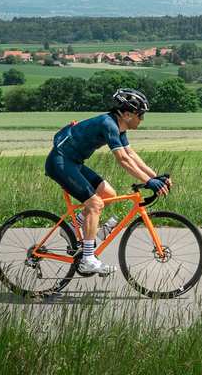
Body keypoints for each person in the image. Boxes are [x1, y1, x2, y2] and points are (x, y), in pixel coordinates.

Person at [44, 88, 171, 274]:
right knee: (95, 204)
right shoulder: (108, 124)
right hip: (60, 163)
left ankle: (72, 227)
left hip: (74, 163)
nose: (142, 119)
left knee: (108, 194)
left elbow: (130, 154)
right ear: (127, 114)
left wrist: (155, 177)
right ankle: (87, 259)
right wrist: (149, 181)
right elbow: (123, 160)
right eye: (140, 115)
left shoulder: (119, 126)